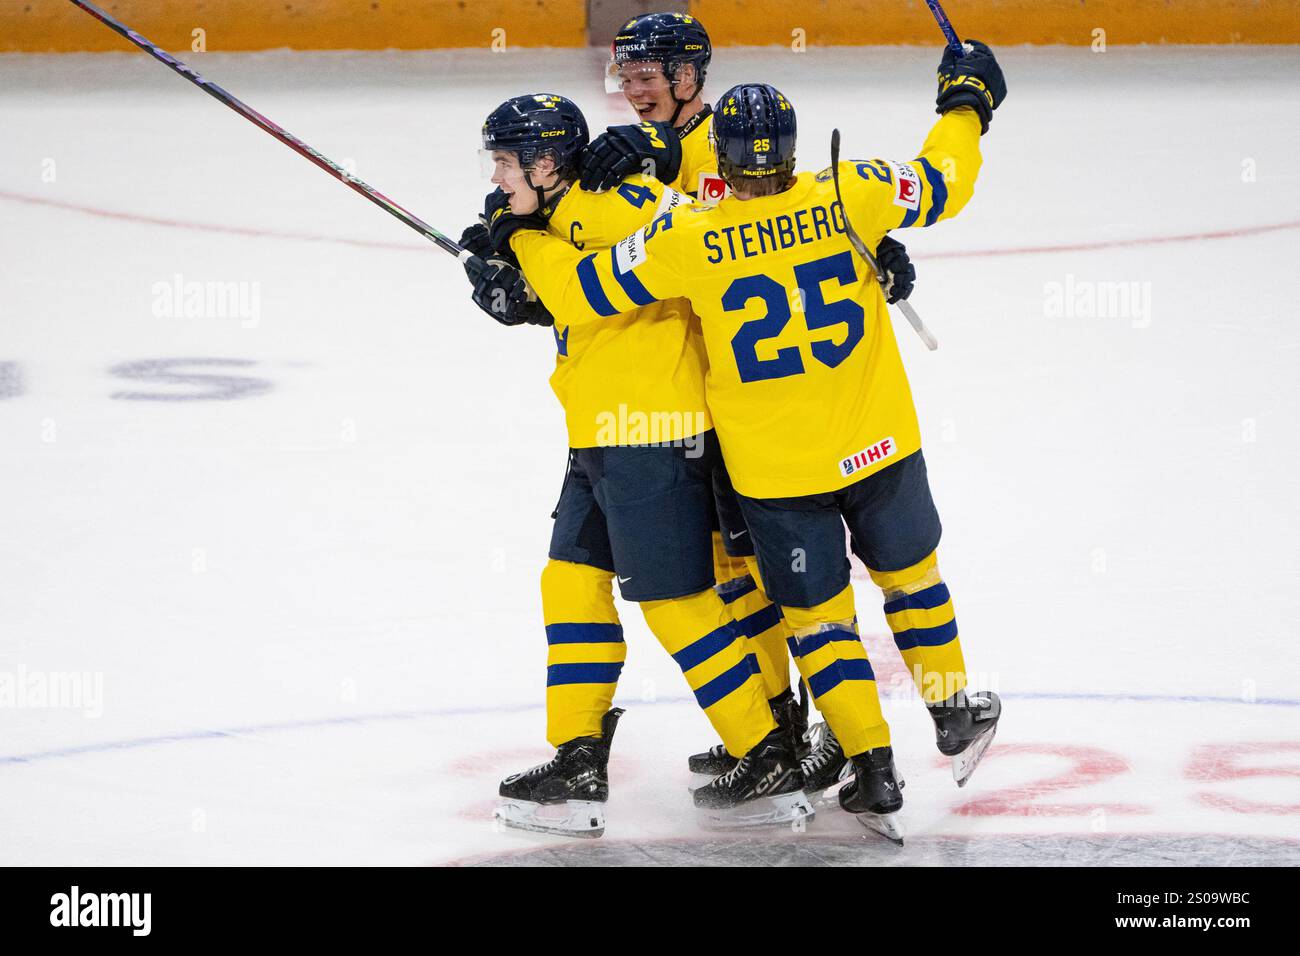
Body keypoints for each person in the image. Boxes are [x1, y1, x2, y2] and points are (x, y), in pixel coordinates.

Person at [484, 42, 1009, 842]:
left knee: (817, 621)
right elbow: (944, 178)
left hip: (773, 463)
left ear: (719, 158)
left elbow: (588, 289)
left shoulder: (695, 233)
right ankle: (944, 708)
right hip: (878, 445)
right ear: (795, 150)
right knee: (912, 581)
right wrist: (966, 103)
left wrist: (518, 245)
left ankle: (861, 764)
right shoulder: (854, 192)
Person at [578, 11, 918, 792]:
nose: (632, 91)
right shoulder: (636, 154)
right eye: (623, 77)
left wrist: (883, 250)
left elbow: (812, 211)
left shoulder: (733, 143)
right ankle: (785, 725)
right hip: (695, 405)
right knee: (740, 576)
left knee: (790, 581)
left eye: (647, 75)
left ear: (691, 77)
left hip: (760, 413)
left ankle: (839, 733)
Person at [462, 93, 814, 836]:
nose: (495, 179)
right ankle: (579, 756)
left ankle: (766, 750)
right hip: (600, 432)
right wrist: (517, 280)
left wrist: (523, 253)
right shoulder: (563, 210)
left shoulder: (618, 203)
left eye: (503, 163)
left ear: (547, 162)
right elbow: (573, 299)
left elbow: (641, 259)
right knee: (571, 582)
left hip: (652, 433)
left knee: (677, 602)